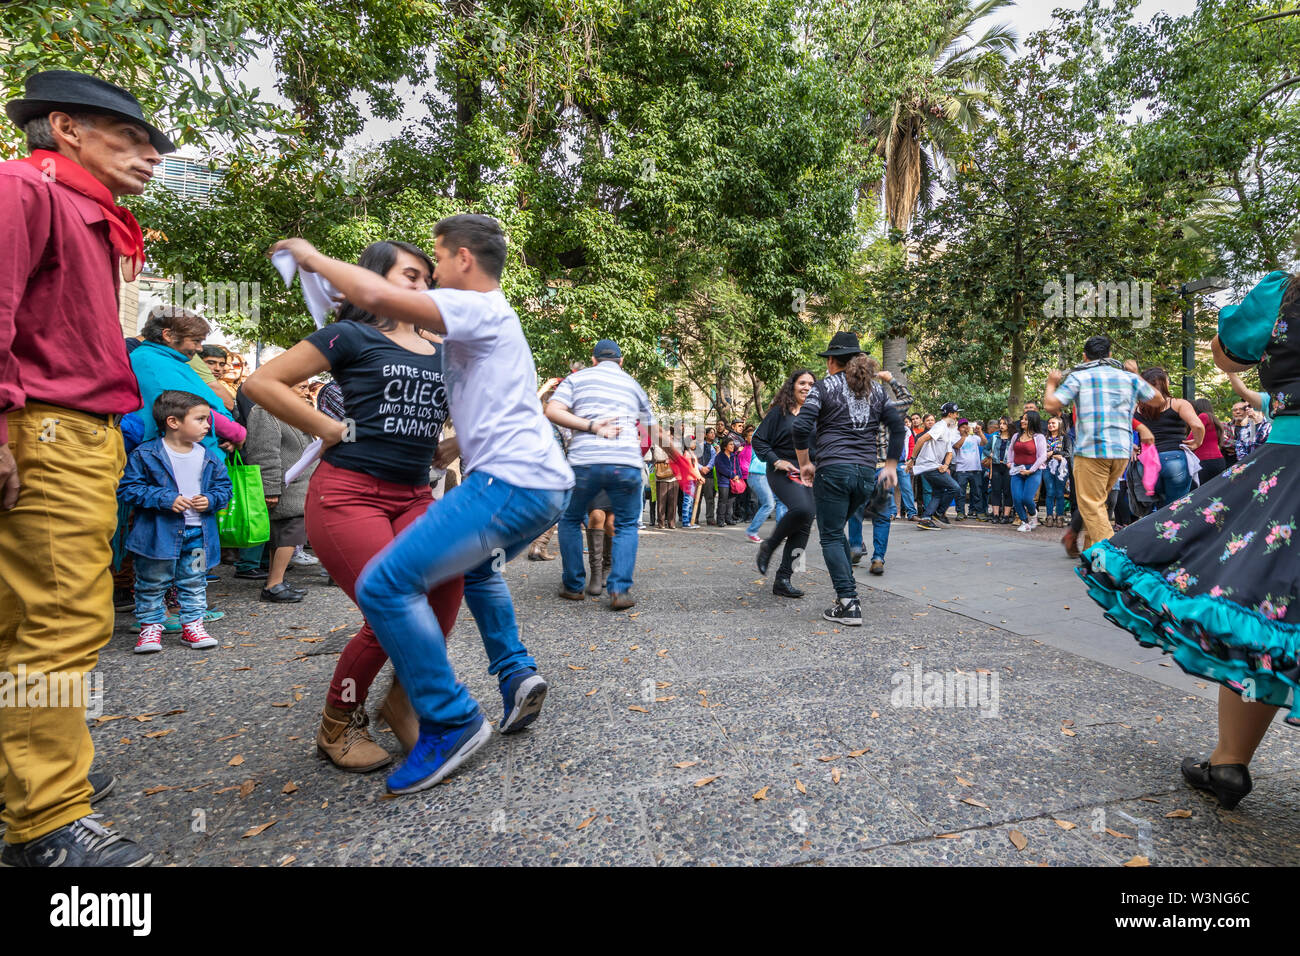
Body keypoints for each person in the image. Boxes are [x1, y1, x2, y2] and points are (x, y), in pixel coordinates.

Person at [271, 214, 574, 794]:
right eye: (412, 273)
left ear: (463, 258)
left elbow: (368, 290)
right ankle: (508, 676)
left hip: (509, 483)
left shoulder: (479, 308)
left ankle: (451, 718)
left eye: (434, 262)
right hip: (534, 484)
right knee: (471, 574)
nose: (429, 276)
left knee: (386, 588)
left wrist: (308, 255)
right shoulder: (458, 336)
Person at [0, 68, 174, 866]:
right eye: (130, 139)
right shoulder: (24, 188)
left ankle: (26, 775)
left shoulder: (87, 212)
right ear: (64, 127)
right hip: (47, 429)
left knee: (33, 621)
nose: (148, 157)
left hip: (82, 432)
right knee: (58, 625)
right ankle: (45, 821)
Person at [1078, 269, 1300, 810]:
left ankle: (1229, 761)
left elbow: (1229, 354)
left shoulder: (1285, 293)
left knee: (1253, 606)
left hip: (1290, 471)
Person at [243, 238, 463, 770]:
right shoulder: (350, 335)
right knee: (392, 609)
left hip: (414, 493)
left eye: (426, 279)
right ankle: (338, 721)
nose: (423, 286)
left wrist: (459, 441)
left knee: (448, 589)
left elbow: (436, 435)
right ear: (374, 279)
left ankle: (402, 702)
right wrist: (327, 427)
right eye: (411, 275)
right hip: (349, 494)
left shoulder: (441, 350)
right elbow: (262, 382)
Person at [791, 332, 903, 625]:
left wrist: (805, 463)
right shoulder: (877, 391)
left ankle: (848, 602)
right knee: (836, 531)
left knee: (829, 534)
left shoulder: (824, 387)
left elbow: (801, 427)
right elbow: (898, 426)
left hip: (833, 471)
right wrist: (890, 465)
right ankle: (848, 591)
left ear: (831, 361)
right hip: (866, 473)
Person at [546, 338, 655, 609]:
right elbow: (652, 428)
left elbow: (552, 410)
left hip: (585, 463)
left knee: (570, 520)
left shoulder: (577, 379)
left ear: (593, 360)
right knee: (627, 524)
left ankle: (573, 586)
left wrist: (591, 426)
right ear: (621, 361)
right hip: (626, 463)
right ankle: (619, 591)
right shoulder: (632, 383)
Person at [119, 391, 231, 653]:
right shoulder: (145, 454)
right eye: (201, 419)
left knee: (195, 580)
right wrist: (165, 498)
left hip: (199, 535)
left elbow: (225, 489)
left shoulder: (209, 456)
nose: (208, 425)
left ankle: (193, 624)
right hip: (157, 535)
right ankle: (150, 627)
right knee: (151, 581)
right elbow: (127, 488)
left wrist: (212, 499)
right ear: (173, 422)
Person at [1043, 334, 1158, 547]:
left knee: (1092, 505)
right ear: (1110, 355)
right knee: (1098, 503)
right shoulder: (1128, 378)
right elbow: (1157, 399)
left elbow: (1051, 405)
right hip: (1121, 452)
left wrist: (1052, 383)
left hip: (1091, 452)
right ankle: (1089, 551)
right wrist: (1135, 374)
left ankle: (1110, 558)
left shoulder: (1080, 378)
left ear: (1085, 357)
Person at [242, 381, 317, 602]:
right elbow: (264, 452)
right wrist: (270, 488)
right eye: (300, 387)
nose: (305, 392)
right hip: (284, 483)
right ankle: (274, 584)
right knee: (289, 533)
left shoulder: (291, 410)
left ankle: (276, 580)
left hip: (297, 483)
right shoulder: (265, 411)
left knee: (285, 535)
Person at [752, 368, 817, 597]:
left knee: (805, 520)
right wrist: (776, 461)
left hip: (807, 473)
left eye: (811, 384)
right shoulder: (779, 412)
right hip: (782, 470)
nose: (807, 387)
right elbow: (758, 441)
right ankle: (769, 545)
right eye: (802, 383)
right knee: (803, 509)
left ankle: (783, 579)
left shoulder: (814, 415)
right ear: (792, 386)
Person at [846, 369, 912, 574]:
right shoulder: (886, 407)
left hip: (857, 467)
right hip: (882, 469)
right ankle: (878, 558)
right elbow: (907, 399)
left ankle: (856, 546)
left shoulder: (846, 407)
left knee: (855, 511)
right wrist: (890, 379)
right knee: (882, 515)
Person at [1134, 367, 1205, 508]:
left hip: (1146, 462)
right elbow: (1197, 426)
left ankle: (1158, 529)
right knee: (1177, 507)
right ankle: (1174, 529)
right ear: (1165, 383)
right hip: (1175, 459)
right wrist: (1198, 442)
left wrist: (1131, 447)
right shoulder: (1178, 403)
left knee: (1159, 505)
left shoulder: (1135, 408)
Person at [910, 403, 962, 531]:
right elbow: (922, 439)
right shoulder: (940, 427)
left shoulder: (947, 429)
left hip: (934, 465)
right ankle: (938, 514)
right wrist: (913, 459)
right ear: (950, 414)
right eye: (956, 413)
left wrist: (946, 465)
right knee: (954, 488)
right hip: (929, 465)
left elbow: (949, 452)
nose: (957, 416)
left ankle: (926, 518)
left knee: (938, 493)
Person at [1007, 410, 1047, 531]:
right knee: (1017, 498)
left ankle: (1033, 514)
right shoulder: (1016, 436)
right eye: (1022, 419)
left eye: (1025, 419)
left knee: (1027, 498)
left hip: (1033, 470)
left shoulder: (1039, 437)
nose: (1022, 421)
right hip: (1017, 470)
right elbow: (1011, 450)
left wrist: (1031, 470)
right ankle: (1025, 522)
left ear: (1032, 421)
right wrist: (1010, 462)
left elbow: (1043, 456)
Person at [1227, 373, 1272, 460]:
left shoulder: (1270, 425)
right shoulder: (1245, 430)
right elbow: (1241, 452)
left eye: (1250, 406)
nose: (1247, 409)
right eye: (1245, 407)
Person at [951, 419, 985, 520]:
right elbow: (956, 446)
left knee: (977, 492)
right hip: (961, 470)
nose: (965, 428)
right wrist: (964, 437)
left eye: (967, 425)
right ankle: (960, 512)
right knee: (960, 493)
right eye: (963, 426)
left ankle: (979, 512)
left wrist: (980, 432)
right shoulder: (955, 437)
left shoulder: (975, 438)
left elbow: (985, 443)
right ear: (958, 429)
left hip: (976, 469)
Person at [1043, 416, 1071, 527]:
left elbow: (1068, 453)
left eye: (1053, 423)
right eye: (1049, 423)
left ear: (1059, 424)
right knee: (1050, 492)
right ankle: (1049, 516)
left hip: (1061, 467)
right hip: (1047, 466)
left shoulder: (1065, 438)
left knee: (1059, 493)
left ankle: (1060, 517)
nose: (1050, 425)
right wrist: (1054, 454)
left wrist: (1052, 452)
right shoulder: (1044, 438)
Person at [1191, 398, 1227, 483]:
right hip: (1219, 460)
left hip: (1205, 461)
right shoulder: (1214, 419)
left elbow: (1191, 438)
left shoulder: (1203, 416)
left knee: (1201, 491)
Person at [986, 416, 1014, 523]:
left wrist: (1013, 462)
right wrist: (990, 454)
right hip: (996, 466)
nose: (1001, 426)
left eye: (1004, 423)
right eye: (1000, 423)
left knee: (1007, 491)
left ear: (1009, 425)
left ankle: (1006, 516)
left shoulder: (1013, 438)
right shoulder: (994, 437)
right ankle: (995, 515)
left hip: (1008, 467)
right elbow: (986, 449)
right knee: (995, 490)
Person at [714, 436, 741, 527]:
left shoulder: (734, 456)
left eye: (733, 444)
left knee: (730, 502)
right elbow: (722, 469)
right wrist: (733, 475)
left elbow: (737, 468)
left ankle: (728, 519)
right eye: (730, 444)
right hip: (724, 482)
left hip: (734, 482)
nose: (733, 446)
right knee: (723, 501)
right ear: (725, 446)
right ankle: (720, 520)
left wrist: (738, 476)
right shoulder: (719, 457)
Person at [697, 427, 719, 525]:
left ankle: (710, 518)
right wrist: (701, 468)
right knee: (696, 498)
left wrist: (708, 468)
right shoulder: (695, 446)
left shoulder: (712, 447)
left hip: (709, 475)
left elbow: (714, 458)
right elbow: (693, 459)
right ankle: (694, 518)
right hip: (697, 474)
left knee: (710, 498)